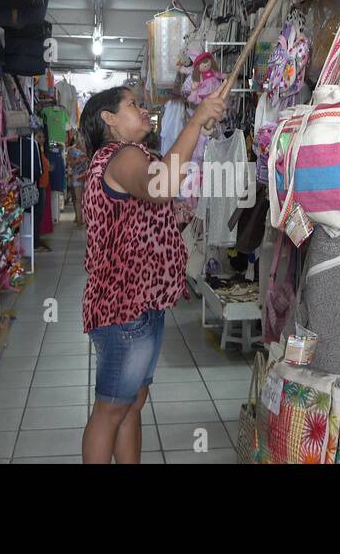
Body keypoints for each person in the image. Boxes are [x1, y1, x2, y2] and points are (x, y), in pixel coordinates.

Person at [79, 85, 225, 464]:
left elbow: (152, 205)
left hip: (141, 306)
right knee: (111, 408)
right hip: (124, 309)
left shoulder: (129, 157)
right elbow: (160, 188)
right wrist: (194, 120)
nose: (143, 109)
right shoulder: (120, 155)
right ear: (109, 119)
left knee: (130, 405)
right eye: (133, 105)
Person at [33, 129, 52, 252]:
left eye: (43, 137)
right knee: (36, 215)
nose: (42, 139)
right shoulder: (35, 151)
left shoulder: (40, 150)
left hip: (43, 186)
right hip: (38, 186)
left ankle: (37, 239)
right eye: (39, 137)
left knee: (39, 215)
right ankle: (35, 242)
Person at [67, 134, 88, 226]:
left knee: (86, 199)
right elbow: (70, 164)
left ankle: (84, 218)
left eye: (82, 138)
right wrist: (77, 160)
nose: (81, 139)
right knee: (78, 199)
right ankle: (79, 219)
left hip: (87, 176)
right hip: (76, 177)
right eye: (79, 137)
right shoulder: (71, 150)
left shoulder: (88, 148)